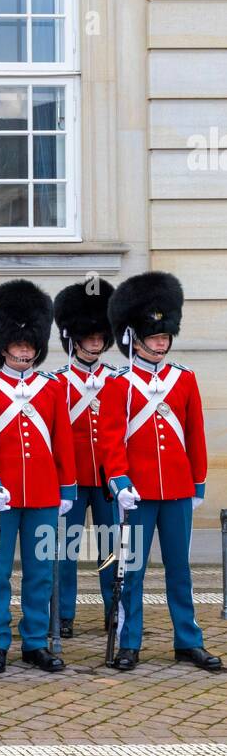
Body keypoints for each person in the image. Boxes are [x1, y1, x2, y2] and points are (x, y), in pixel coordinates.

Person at [98, 271, 221, 672]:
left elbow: (195, 434)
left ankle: (188, 640)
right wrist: (119, 482)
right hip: (137, 493)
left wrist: (197, 482)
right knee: (131, 570)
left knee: (179, 570)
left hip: (177, 492)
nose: (161, 343)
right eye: (154, 338)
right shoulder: (119, 384)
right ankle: (128, 641)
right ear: (135, 337)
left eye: (164, 337)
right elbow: (111, 440)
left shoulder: (183, 379)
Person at [0, 279, 76, 675]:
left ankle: (34, 642)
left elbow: (63, 442)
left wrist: (66, 488)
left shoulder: (51, 388)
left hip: (44, 494)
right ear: (2, 343)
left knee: (39, 573)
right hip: (1, 497)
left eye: (31, 344)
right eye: (18, 344)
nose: (25, 350)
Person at [53, 278, 117, 636]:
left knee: (112, 547)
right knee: (64, 551)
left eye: (100, 336)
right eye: (89, 335)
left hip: (108, 480)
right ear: (74, 338)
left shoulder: (117, 379)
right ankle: (63, 613)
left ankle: (114, 609)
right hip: (72, 480)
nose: (95, 341)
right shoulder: (57, 382)